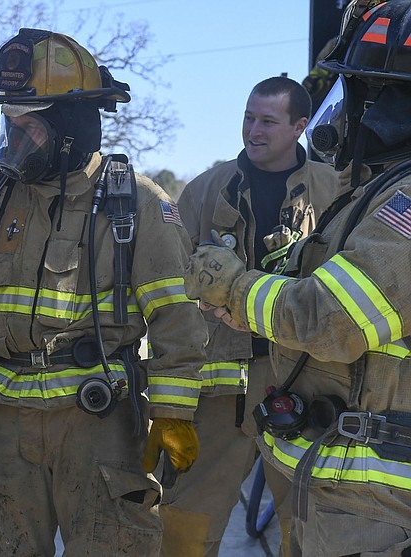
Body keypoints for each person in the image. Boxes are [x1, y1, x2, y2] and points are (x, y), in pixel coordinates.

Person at [0, 28, 207, 557]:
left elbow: (177, 314)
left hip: (100, 426)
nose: (12, 144)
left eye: (27, 129)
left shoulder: (135, 203)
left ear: (66, 129)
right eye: (8, 128)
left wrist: (174, 411)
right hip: (9, 429)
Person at [184, 1, 411, 554]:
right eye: (249, 117)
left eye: (355, 95)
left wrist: (238, 289)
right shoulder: (368, 192)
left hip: (371, 502)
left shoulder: (395, 200)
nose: (348, 115)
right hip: (275, 420)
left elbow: (332, 317)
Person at [162, 76, 339, 557]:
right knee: (185, 521)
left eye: (267, 121)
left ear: (300, 126)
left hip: (302, 385)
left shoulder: (334, 191)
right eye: (248, 118)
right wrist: (168, 398)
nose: (253, 130)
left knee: (305, 526)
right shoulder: (205, 191)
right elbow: (170, 289)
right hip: (220, 391)